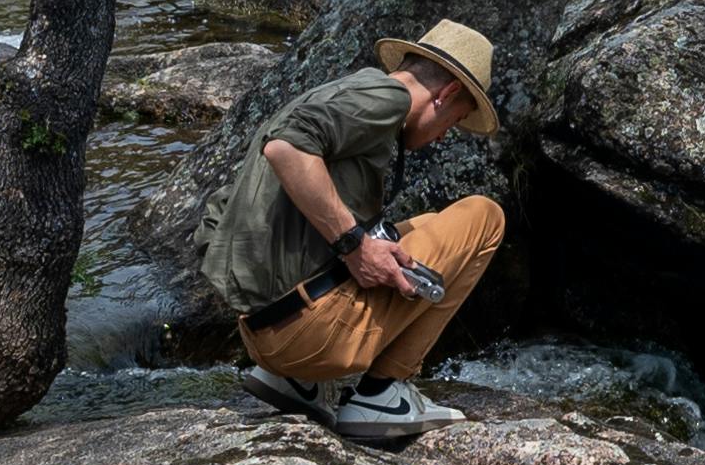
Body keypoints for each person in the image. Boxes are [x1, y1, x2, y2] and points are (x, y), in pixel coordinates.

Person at [208, 22, 507, 435]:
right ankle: (381, 394)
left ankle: (299, 382)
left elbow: (222, 205)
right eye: (453, 122)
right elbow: (286, 149)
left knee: (427, 225)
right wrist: (353, 245)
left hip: (263, 334)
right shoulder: (388, 97)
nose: (442, 138)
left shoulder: (327, 97)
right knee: (484, 216)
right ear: (447, 93)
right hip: (308, 335)